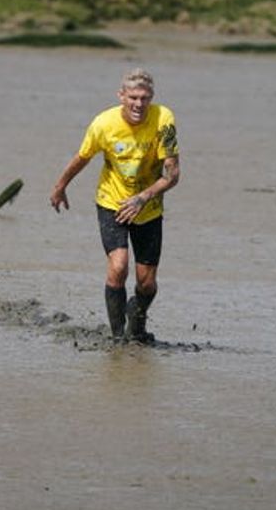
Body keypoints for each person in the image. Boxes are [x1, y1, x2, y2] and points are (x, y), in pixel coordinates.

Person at [50, 68, 180, 343]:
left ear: (151, 98)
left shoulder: (164, 119)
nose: (138, 104)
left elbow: (172, 174)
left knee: (147, 283)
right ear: (121, 96)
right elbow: (83, 157)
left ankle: (137, 321)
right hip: (112, 202)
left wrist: (142, 197)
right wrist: (61, 186)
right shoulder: (103, 124)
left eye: (144, 98)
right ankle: (118, 337)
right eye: (133, 97)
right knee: (119, 266)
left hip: (149, 207)